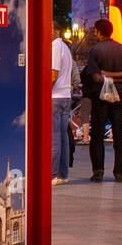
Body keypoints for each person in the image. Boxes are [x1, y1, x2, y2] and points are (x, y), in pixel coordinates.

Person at [85, 19, 122, 183]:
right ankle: (119, 172)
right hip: (118, 95)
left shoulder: (94, 50)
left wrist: (104, 74)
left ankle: (98, 171)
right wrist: (117, 76)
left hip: (101, 96)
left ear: (98, 32)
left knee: (97, 135)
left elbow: (96, 77)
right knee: (119, 135)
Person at [50, 24, 74, 185]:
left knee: (54, 138)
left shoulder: (55, 47)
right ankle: (63, 173)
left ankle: (52, 174)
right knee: (63, 137)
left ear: (55, 30)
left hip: (55, 96)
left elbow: (53, 74)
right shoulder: (65, 47)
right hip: (65, 95)